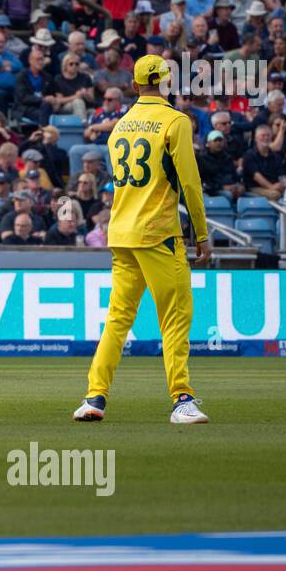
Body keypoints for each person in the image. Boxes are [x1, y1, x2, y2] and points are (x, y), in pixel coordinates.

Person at [76, 55, 212, 426]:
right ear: (167, 83)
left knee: (117, 319)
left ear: (135, 86)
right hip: (158, 234)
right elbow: (189, 183)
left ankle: (94, 397)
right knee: (175, 319)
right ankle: (181, 399)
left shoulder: (119, 126)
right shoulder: (176, 121)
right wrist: (201, 233)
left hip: (121, 233)